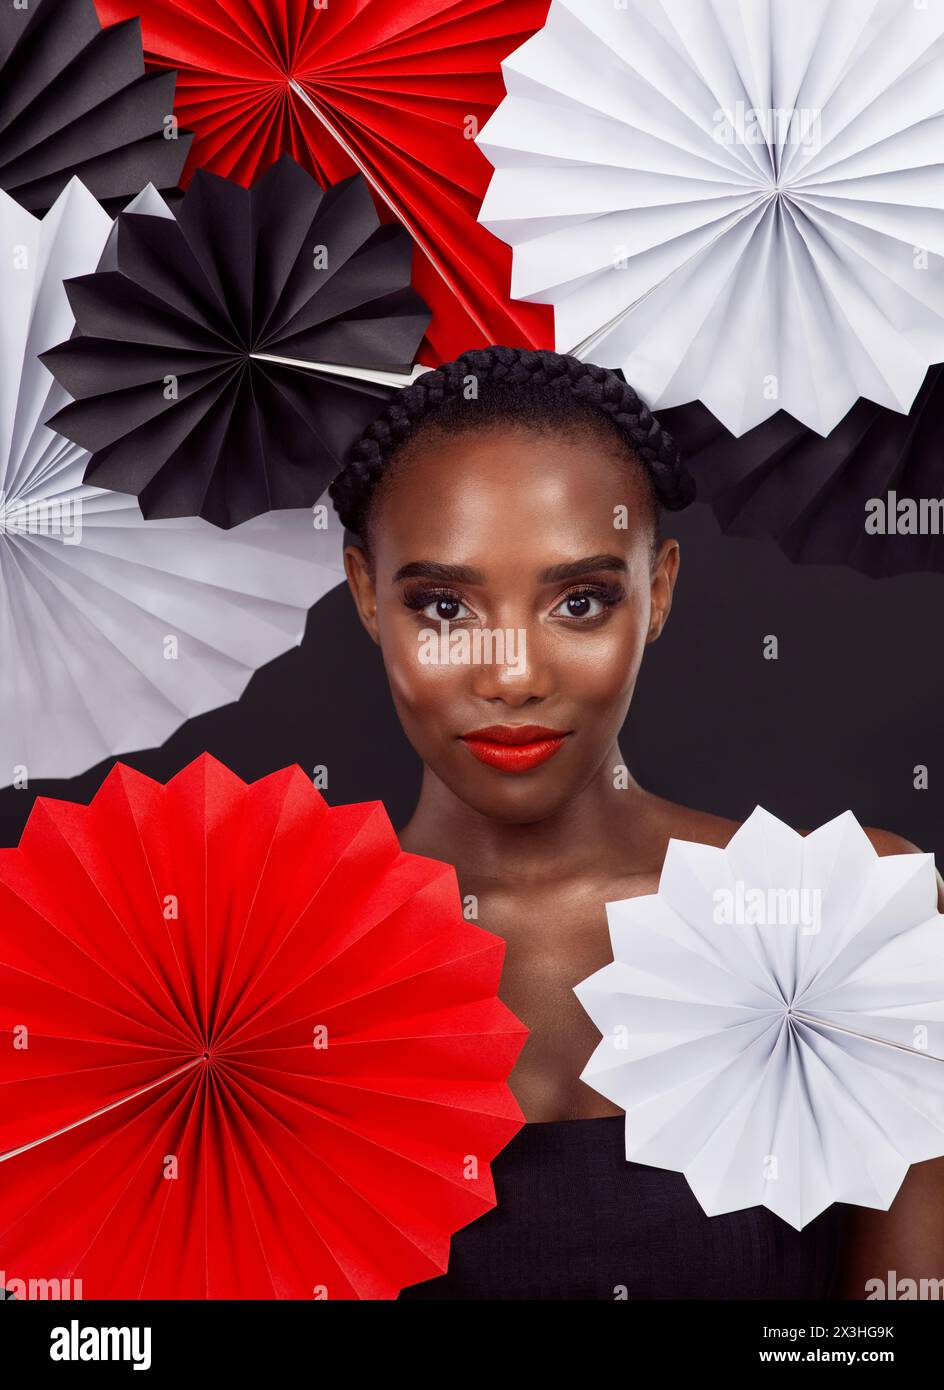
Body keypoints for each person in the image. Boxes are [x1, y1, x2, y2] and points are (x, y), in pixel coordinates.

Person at [330, 346, 944, 1300]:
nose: (513, 675)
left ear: (656, 591)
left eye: (579, 601)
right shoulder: (242, 959)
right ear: (368, 595)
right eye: (444, 605)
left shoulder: (849, 912)